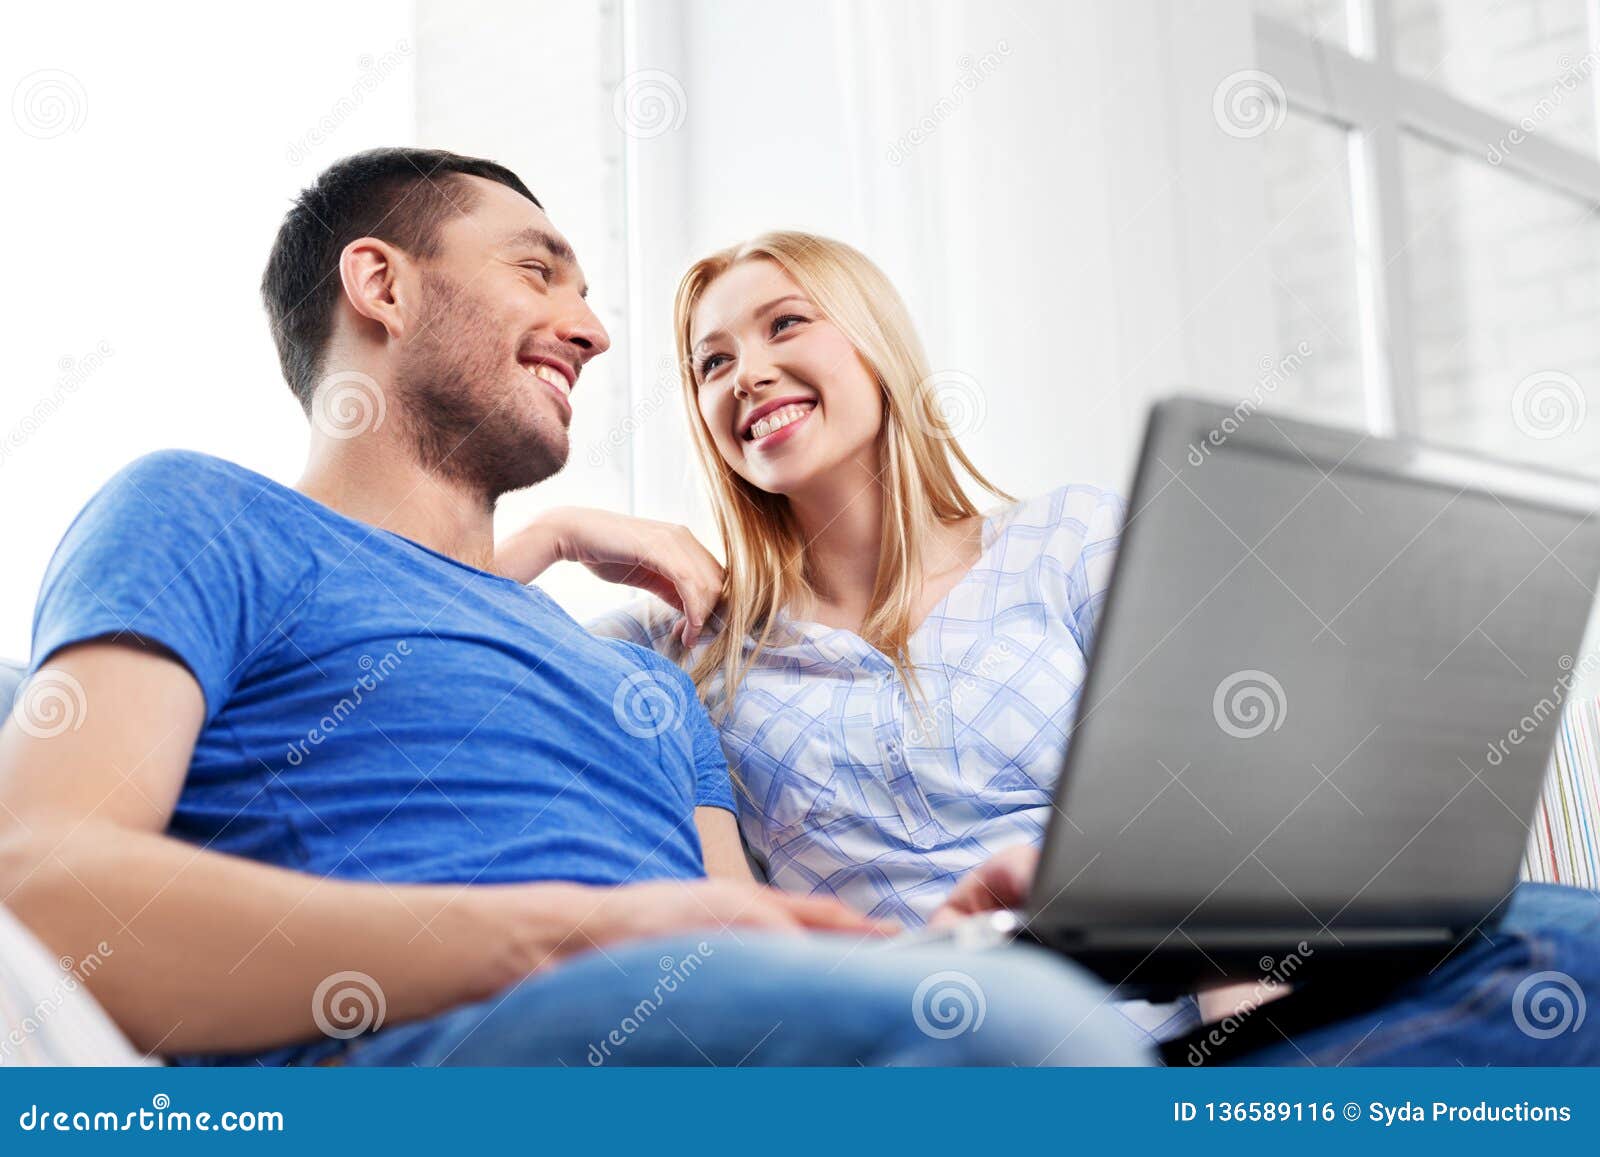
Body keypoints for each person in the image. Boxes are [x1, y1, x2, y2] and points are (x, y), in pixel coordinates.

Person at [0, 150, 1150, 1068]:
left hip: (713, 1035)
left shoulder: (647, 677)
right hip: (437, 1056)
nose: (595, 331)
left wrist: (959, 947)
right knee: (1006, 1037)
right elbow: (40, 879)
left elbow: (755, 940)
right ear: (382, 284)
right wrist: (568, 933)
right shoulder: (201, 513)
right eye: (539, 272)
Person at [498, 231, 1600, 1064]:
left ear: (873, 346)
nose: (747, 375)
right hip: (963, 1039)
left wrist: (1252, 1057)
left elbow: (1218, 815)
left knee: (1564, 943)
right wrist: (552, 534)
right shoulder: (687, 641)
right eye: (711, 363)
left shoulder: (1067, 541)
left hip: (1196, 1016)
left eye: (786, 325)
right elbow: (455, 660)